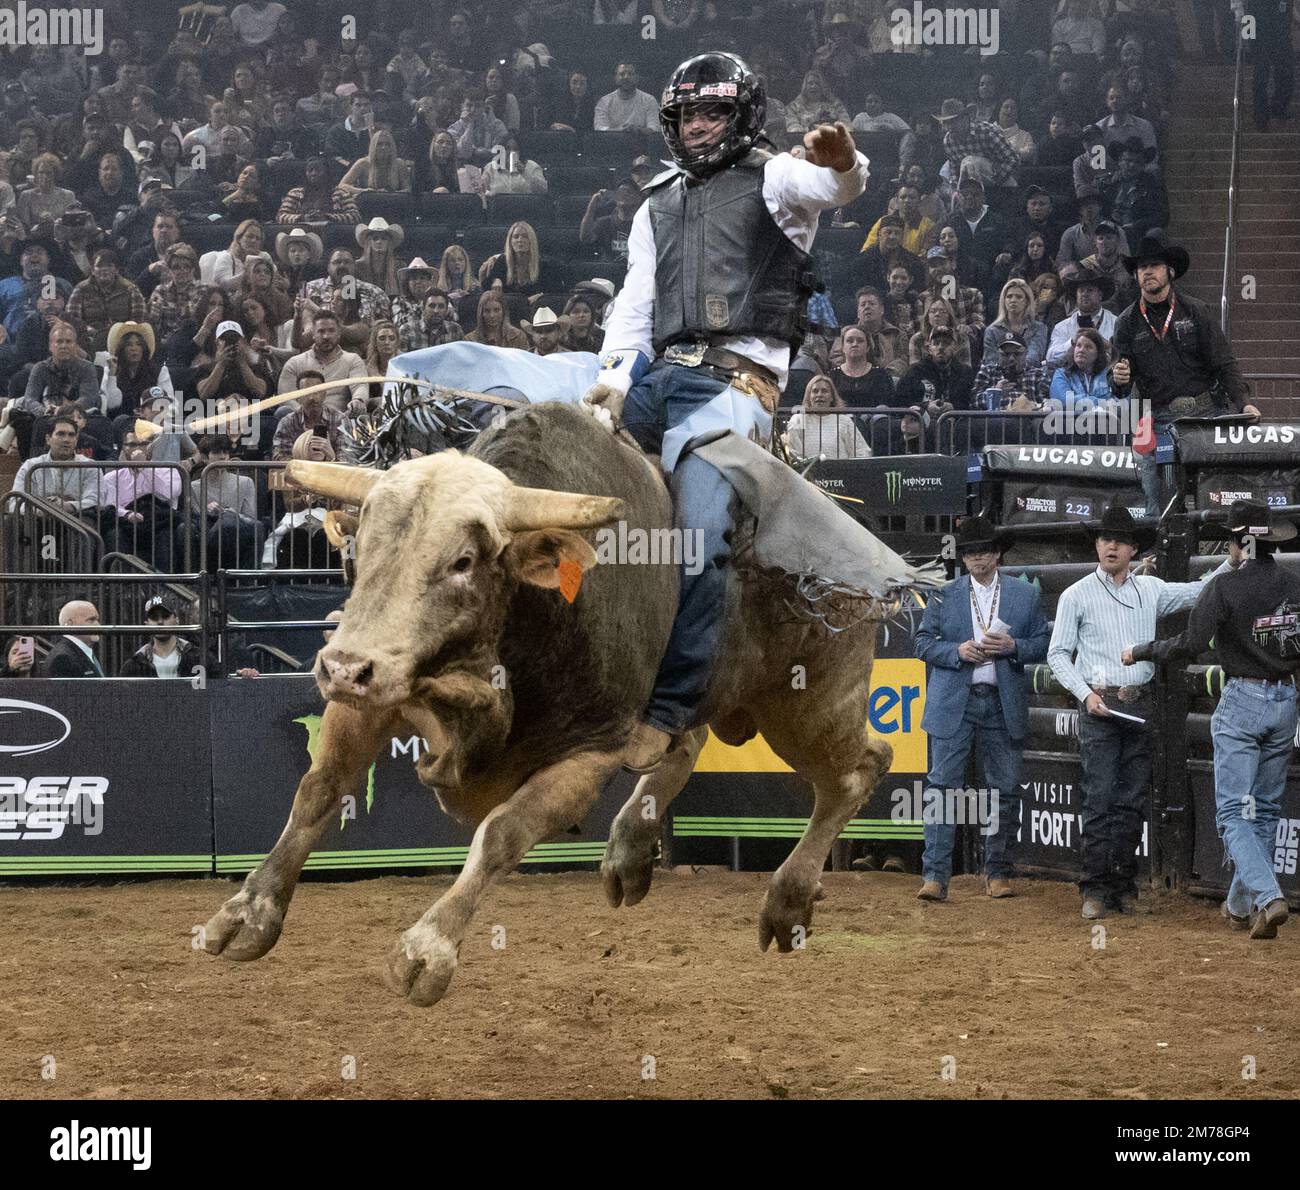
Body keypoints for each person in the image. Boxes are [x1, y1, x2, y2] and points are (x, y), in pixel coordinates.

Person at [582, 51, 868, 770]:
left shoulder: (775, 177)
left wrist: (845, 162)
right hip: (657, 380)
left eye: (714, 113)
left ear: (742, 118)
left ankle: (670, 709)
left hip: (736, 389)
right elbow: (635, 304)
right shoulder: (656, 205)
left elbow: (834, 186)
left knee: (700, 537)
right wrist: (614, 381)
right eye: (688, 116)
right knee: (565, 488)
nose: (701, 127)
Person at [1047, 503, 1235, 919]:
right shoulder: (1075, 595)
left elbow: (1197, 592)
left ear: (1132, 550)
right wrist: (1085, 695)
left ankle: (1119, 884)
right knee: (1100, 798)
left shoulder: (1150, 590)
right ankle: (1097, 888)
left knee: (1130, 800)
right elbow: (1057, 654)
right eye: (1104, 539)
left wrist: (1229, 562)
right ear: (1097, 545)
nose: (1110, 546)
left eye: (1118, 541)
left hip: (1137, 703)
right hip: (1100, 705)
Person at [1126, 499, 1296, 937]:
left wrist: (1143, 650)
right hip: (1286, 699)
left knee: (1234, 814)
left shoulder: (1225, 588)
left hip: (1243, 698)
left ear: (1240, 543)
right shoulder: (1294, 585)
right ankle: (1241, 905)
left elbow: (1191, 643)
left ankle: (1268, 896)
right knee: (1264, 808)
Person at [914, 515, 1051, 901]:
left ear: (996, 554)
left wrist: (1014, 648)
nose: (976, 559)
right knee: (942, 787)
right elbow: (922, 643)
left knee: (1005, 789)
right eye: (970, 552)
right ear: (964, 557)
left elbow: (1043, 641)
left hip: (1000, 701)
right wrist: (956, 651)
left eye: (983, 551)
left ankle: (997, 872)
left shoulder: (1024, 596)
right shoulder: (944, 594)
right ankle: (936, 876)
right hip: (955, 702)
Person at [1110, 233, 1258, 516]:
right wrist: (1118, 379)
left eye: (1154, 265)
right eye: (1141, 267)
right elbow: (1119, 384)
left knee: (1222, 493)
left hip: (1206, 415)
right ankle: (1160, 547)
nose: (1147, 272)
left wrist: (1243, 402)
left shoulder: (1196, 310)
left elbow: (1224, 362)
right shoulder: (1126, 322)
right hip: (1160, 419)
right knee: (1156, 494)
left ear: (1170, 271)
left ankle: (1227, 545)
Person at [277, 309, 367, 411]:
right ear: (313, 335)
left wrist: (358, 400)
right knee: (283, 411)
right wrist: (305, 413)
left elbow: (360, 386)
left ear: (339, 334)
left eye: (331, 331)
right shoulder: (295, 362)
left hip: (339, 420)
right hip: (301, 420)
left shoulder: (352, 360)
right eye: (321, 331)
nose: (326, 336)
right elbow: (285, 397)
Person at [785, 372, 869, 459]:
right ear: (809, 397)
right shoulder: (798, 419)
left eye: (824, 391)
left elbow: (861, 451)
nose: (819, 395)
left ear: (832, 397)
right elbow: (792, 452)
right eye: (815, 391)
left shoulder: (844, 421)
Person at [1046, 269, 1118, 367]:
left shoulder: (1116, 323)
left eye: (1090, 290)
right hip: (1071, 378)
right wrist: (1072, 342)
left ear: (1100, 295)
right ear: (1076, 296)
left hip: (1107, 377)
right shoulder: (1062, 327)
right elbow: (1050, 359)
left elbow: (1124, 356)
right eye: (1081, 290)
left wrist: (1105, 345)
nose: (1085, 294)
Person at [898, 325, 975, 412]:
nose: (941, 347)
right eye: (936, 343)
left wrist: (954, 407)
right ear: (929, 348)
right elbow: (900, 402)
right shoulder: (915, 371)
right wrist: (925, 406)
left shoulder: (965, 373)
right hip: (923, 422)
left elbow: (972, 403)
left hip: (957, 422)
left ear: (955, 348)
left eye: (946, 343)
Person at [973, 333, 1050, 411]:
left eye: (1017, 354)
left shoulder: (1037, 375)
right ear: (998, 355)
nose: (1011, 359)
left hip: (1027, 419)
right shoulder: (987, 372)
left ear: (1026, 354)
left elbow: (1045, 405)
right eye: (1006, 354)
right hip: (995, 420)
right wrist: (996, 393)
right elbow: (974, 404)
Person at [983, 278, 1048, 368]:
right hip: (997, 377)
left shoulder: (1038, 328)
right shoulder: (992, 331)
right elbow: (990, 362)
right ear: (1004, 300)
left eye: (1019, 297)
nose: (1013, 300)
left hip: (1030, 376)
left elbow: (1034, 357)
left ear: (1027, 301)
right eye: (1009, 296)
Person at [1049, 327, 1115, 408]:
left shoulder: (1109, 374)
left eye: (1088, 347)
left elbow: (1119, 402)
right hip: (1070, 420)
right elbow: (1064, 401)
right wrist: (1100, 403)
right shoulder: (1061, 374)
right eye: (1078, 345)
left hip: (1105, 420)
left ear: (1098, 353)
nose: (1081, 350)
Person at [41, 600, 105, 677]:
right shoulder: (63, 659)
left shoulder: (71, 653)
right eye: (91, 620)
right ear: (70, 624)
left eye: (97, 620)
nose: (98, 625)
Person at [593, 63, 659, 132]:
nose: (626, 77)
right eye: (622, 74)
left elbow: (655, 128)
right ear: (615, 78)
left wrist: (638, 130)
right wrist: (621, 130)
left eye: (630, 74)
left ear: (637, 78)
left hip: (642, 141)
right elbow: (600, 128)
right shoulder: (604, 102)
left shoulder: (649, 100)